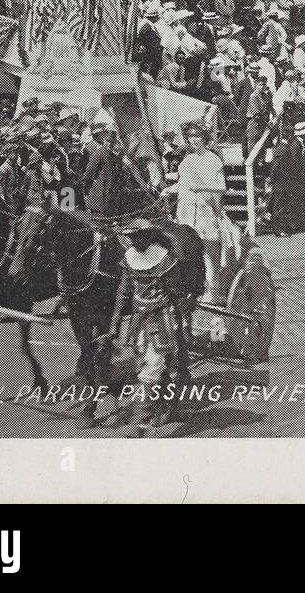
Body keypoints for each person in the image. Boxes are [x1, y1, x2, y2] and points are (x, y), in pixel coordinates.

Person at [108, 224, 190, 432]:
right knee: (143, 366)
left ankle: (139, 423)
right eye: (131, 238)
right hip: (138, 321)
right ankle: (167, 404)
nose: (135, 242)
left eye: (138, 237)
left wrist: (182, 322)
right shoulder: (130, 258)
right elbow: (124, 291)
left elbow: (178, 292)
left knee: (150, 370)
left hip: (161, 318)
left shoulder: (164, 259)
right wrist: (116, 320)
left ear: (149, 237)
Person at [166, 123, 231, 305]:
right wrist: (170, 190)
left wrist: (201, 188)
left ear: (205, 139)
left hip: (205, 211)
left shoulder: (213, 160)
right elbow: (183, 183)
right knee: (189, 250)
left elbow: (221, 187)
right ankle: (194, 288)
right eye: (190, 137)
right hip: (186, 211)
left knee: (209, 251)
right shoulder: (187, 160)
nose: (193, 141)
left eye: (197, 137)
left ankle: (213, 290)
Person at [267, 121, 305, 235]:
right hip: (286, 178)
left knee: (285, 203)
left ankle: (285, 226)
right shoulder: (295, 144)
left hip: (285, 177)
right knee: (281, 203)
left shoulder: (294, 143)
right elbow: (295, 161)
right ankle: (279, 229)